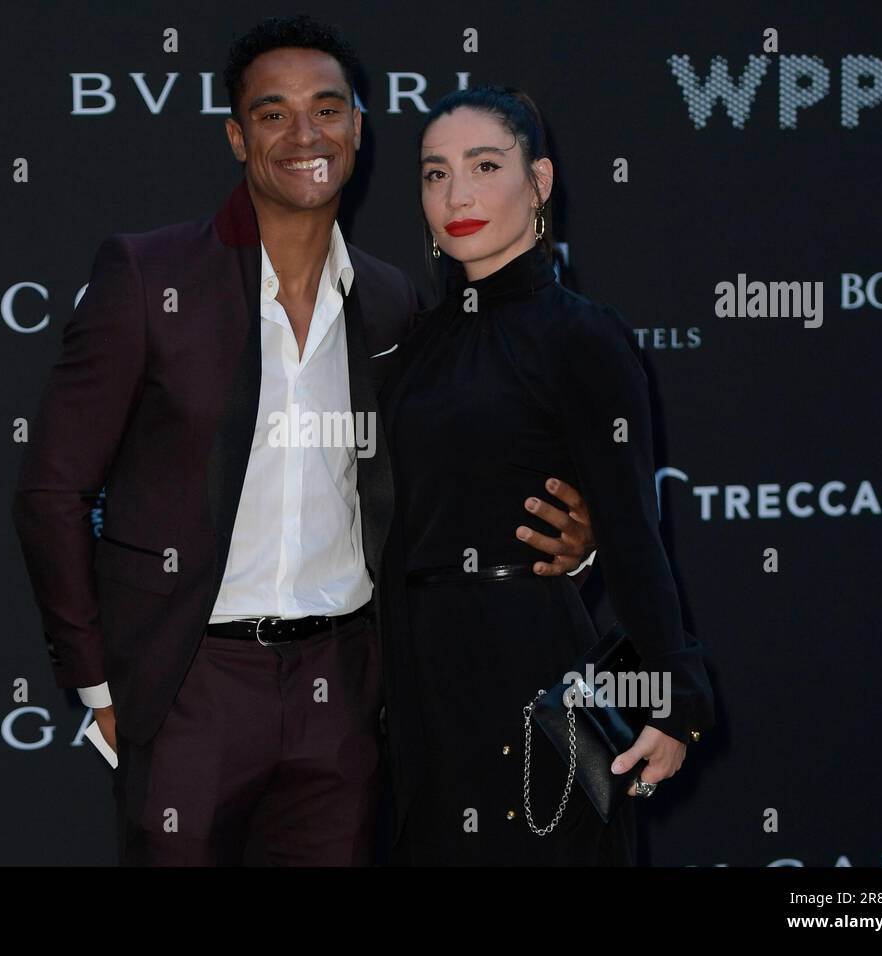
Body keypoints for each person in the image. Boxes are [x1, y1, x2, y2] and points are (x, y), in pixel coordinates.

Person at [10, 19, 594, 865]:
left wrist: (572, 548)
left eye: (327, 109)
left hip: (346, 692)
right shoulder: (149, 277)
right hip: (189, 688)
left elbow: (448, 484)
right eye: (273, 114)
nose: (305, 134)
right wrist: (100, 683)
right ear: (237, 136)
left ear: (359, 127)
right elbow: (51, 491)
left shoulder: (394, 302)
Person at [378, 85, 717, 865]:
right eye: (435, 173)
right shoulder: (413, 348)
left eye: (485, 165)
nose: (456, 193)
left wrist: (674, 699)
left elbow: (633, 529)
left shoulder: (582, 337)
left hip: (530, 676)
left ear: (539, 183)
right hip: (418, 685)